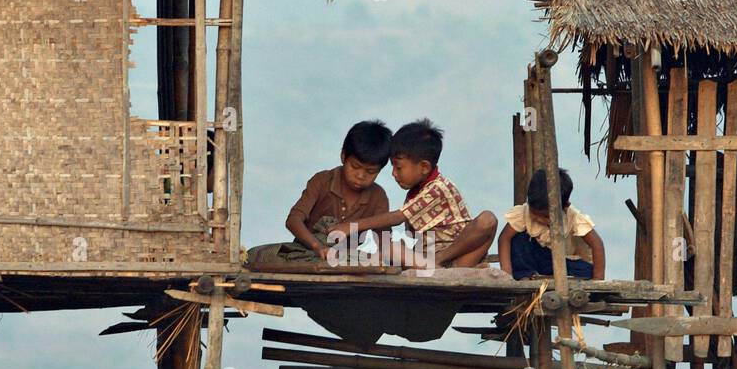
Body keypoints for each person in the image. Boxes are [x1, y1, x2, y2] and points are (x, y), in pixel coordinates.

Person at [337, 119, 497, 268]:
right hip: (428, 257)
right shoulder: (415, 192)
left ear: (424, 167)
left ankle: (437, 265)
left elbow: (397, 217)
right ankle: (433, 267)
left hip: (456, 257)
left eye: (398, 167)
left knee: (487, 220)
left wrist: (353, 226)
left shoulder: (437, 188)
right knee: (389, 248)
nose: (393, 173)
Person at [245, 120, 392, 266]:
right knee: (253, 255)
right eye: (355, 166)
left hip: (345, 259)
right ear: (343, 156)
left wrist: (378, 258)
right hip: (305, 252)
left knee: (366, 262)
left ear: (380, 170)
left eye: (370, 172)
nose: (361, 176)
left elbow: (384, 241)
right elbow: (293, 220)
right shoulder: (322, 180)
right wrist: (318, 247)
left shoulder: (378, 196)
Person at [498, 168, 605, 280]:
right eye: (534, 213)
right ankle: (525, 275)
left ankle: (552, 277)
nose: (538, 219)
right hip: (530, 259)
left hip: (556, 261)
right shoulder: (523, 213)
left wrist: (598, 281)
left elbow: (597, 244)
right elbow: (504, 239)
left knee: (588, 270)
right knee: (518, 237)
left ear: (564, 207)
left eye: (545, 216)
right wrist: (507, 275)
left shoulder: (572, 216)